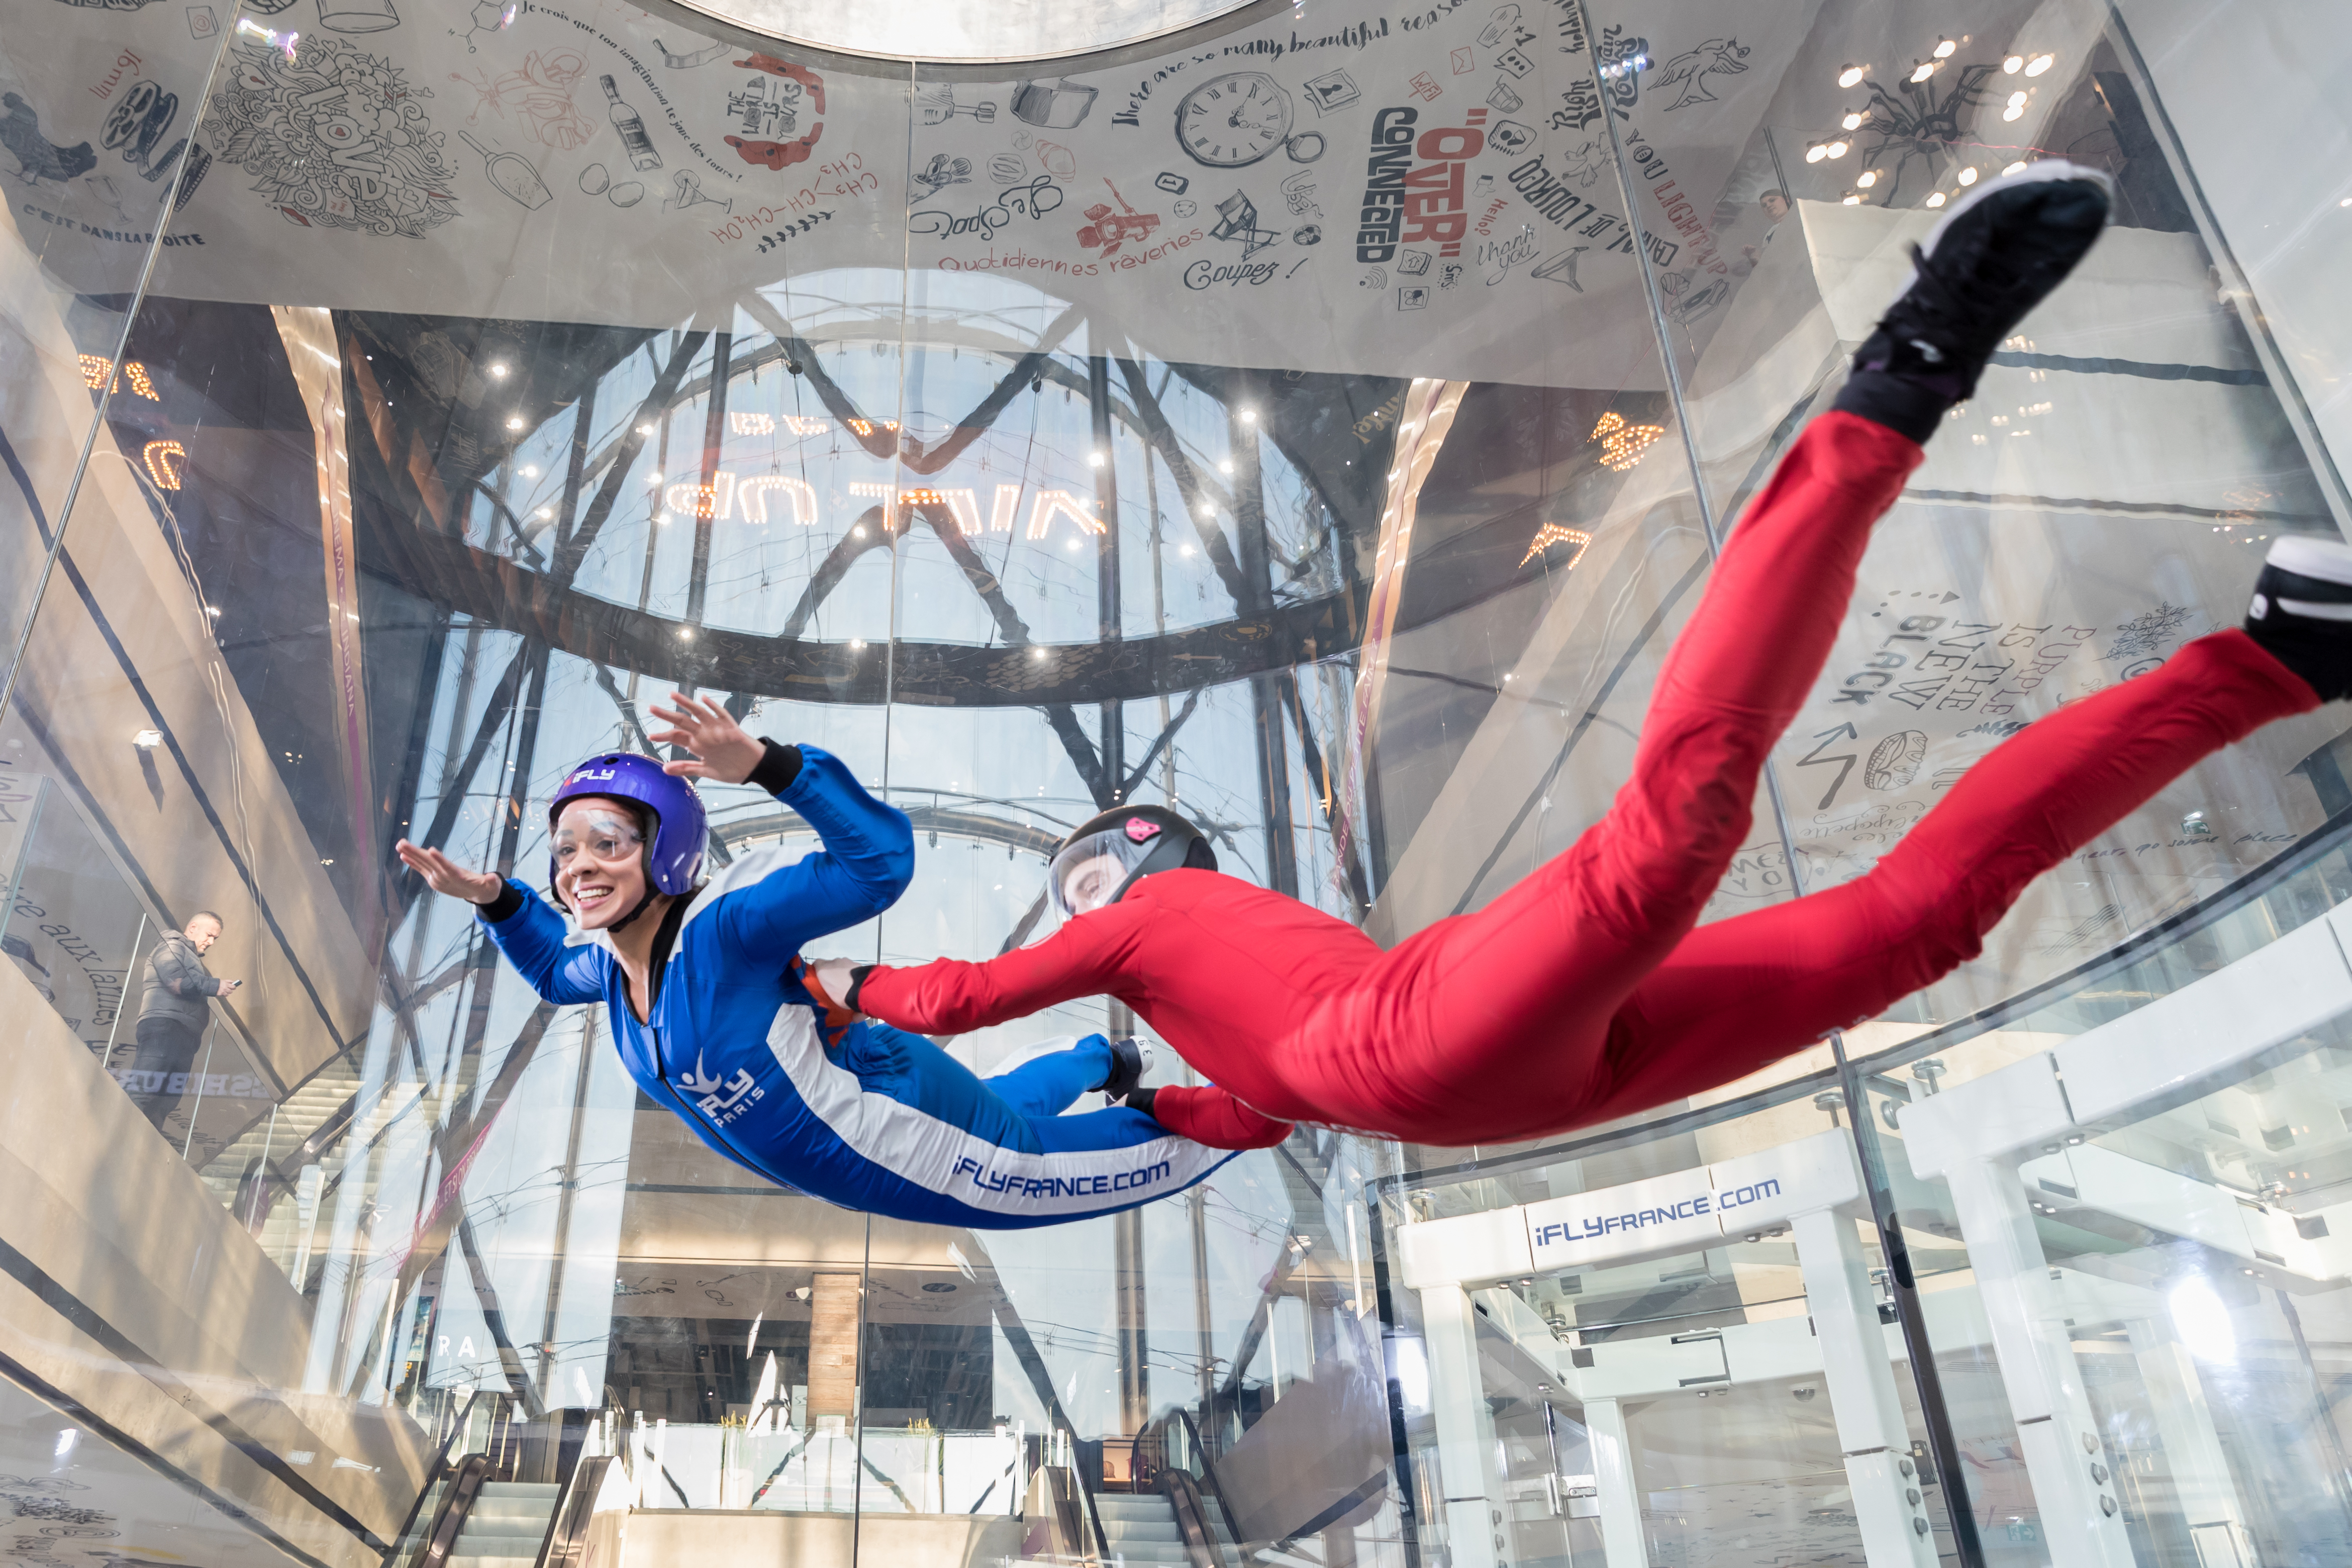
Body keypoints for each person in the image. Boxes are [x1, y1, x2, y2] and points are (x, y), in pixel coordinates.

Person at [813, 163, 2352, 1151]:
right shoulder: (1204, 1003)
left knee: (1670, 841)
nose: (1085, 886)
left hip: (1423, 1044)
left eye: (1099, 863)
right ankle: (2283, 659)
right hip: (1509, 1068)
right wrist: (1147, 1096)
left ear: (1143, 857)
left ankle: (1909, 368)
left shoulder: (1159, 923)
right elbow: (1251, 1119)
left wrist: (839, 989)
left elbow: (966, 993)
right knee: (1917, 929)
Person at [394, 694, 1235, 1229]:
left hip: (903, 1140)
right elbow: (549, 969)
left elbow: (877, 866)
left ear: (666, 852)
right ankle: (1102, 1057)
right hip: (878, 1127)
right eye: (565, 847)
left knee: (1041, 1158)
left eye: (608, 843)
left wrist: (769, 768)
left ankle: (1265, 1101)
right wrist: (496, 899)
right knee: (1005, 1109)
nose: (579, 866)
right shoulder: (613, 972)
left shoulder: (724, 927)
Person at [132, 911, 239, 1133]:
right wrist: (213, 985)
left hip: (181, 1033)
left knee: (165, 1101)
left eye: (214, 939)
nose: (210, 942)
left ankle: (141, 1142)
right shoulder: (171, 944)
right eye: (209, 935)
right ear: (192, 928)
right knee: (144, 1089)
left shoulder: (188, 956)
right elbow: (176, 982)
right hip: (165, 1025)